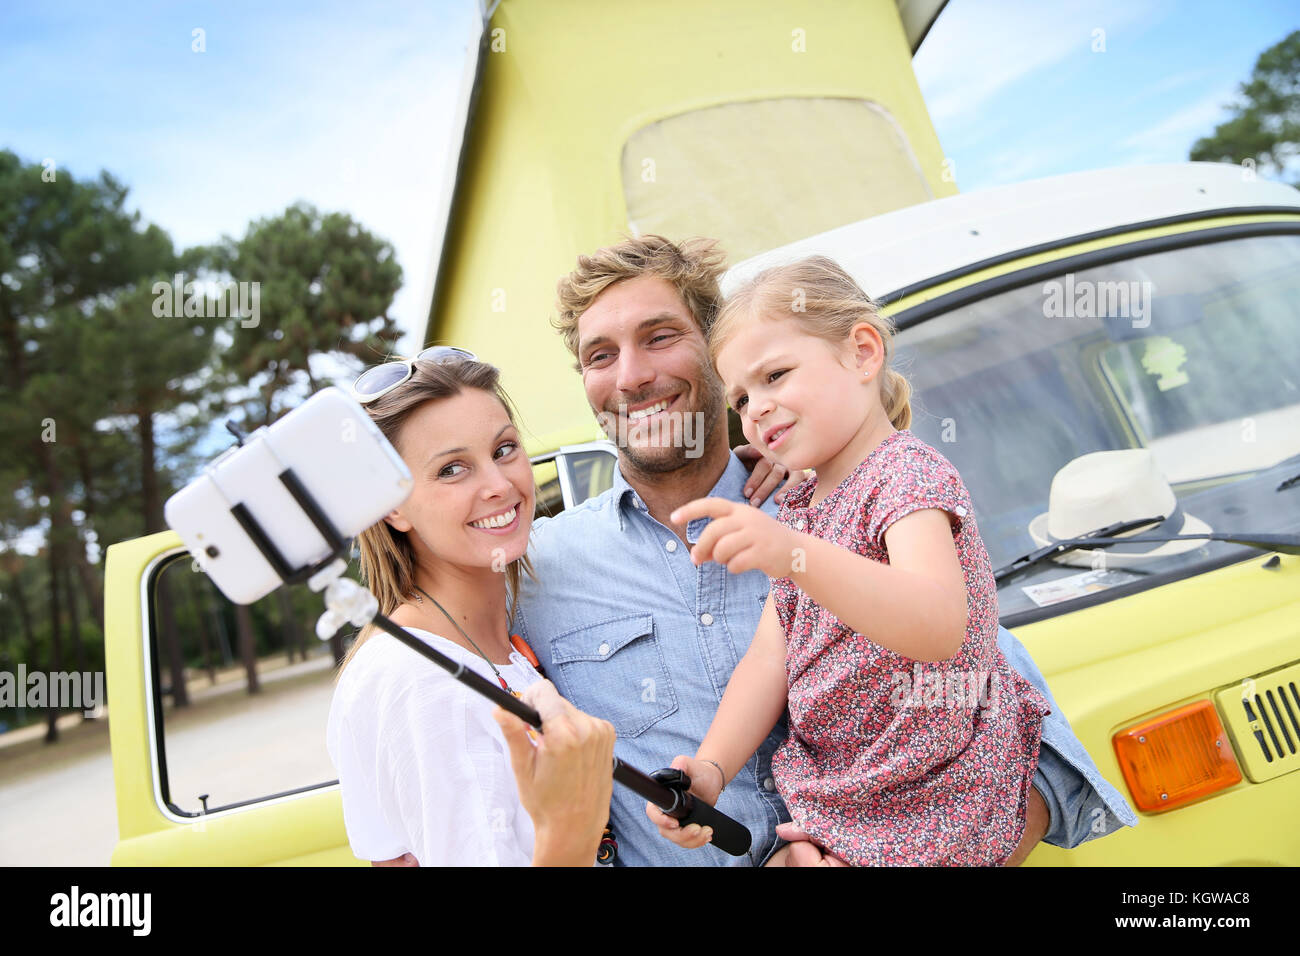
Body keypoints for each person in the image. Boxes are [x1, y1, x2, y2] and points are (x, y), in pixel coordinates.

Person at [514, 234, 1138, 866]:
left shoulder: (860, 493)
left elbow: (995, 695)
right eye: (600, 355)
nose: (632, 375)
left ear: (712, 346)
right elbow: (772, 652)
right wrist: (707, 770)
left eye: (660, 336)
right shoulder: (538, 570)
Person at [649, 255, 1053, 865]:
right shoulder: (803, 507)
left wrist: (795, 555)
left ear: (863, 353)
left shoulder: (905, 475)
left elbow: (939, 624)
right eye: (740, 396)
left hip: (937, 788)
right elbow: (769, 658)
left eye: (775, 375)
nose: (754, 408)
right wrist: (710, 769)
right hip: (855, 791)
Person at [324, 352, 617, 866]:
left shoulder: (486, 639)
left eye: (504, 449)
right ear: (391, 505)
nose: (500, 485)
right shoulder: (417, 678)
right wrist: (574, 827)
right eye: (452, 469)